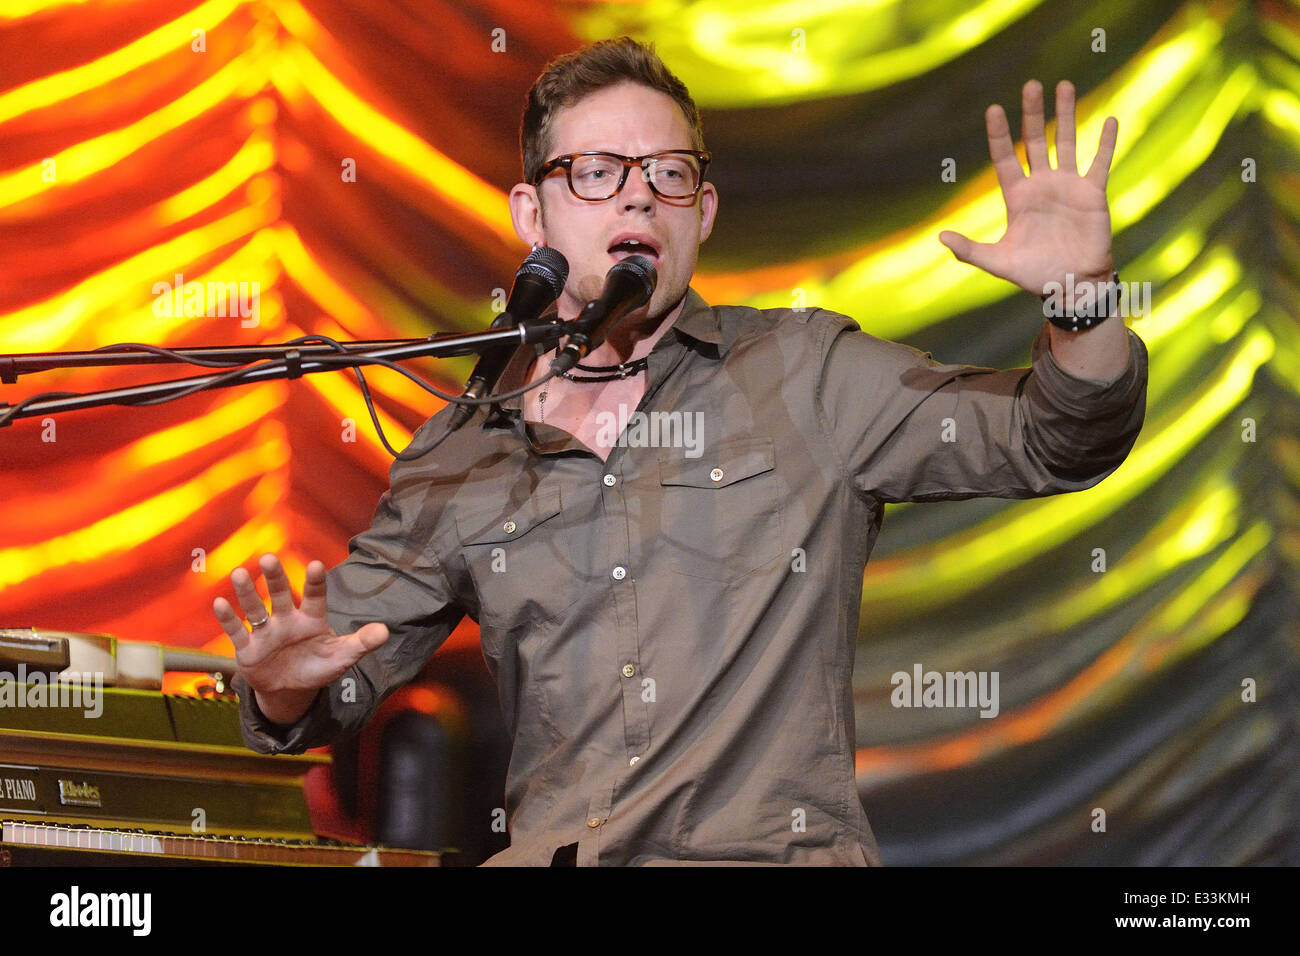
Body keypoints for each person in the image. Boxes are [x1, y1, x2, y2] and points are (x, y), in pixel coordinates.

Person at [213, 37, 1147, 866]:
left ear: (701, 214)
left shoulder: (809, 373)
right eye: (596, 172)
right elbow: (324, 692)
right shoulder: (464, 450)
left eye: (665, 174)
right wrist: (282, 688)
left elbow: (1054, 438)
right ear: (532, 217)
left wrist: (1082, 298)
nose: (634, 192)